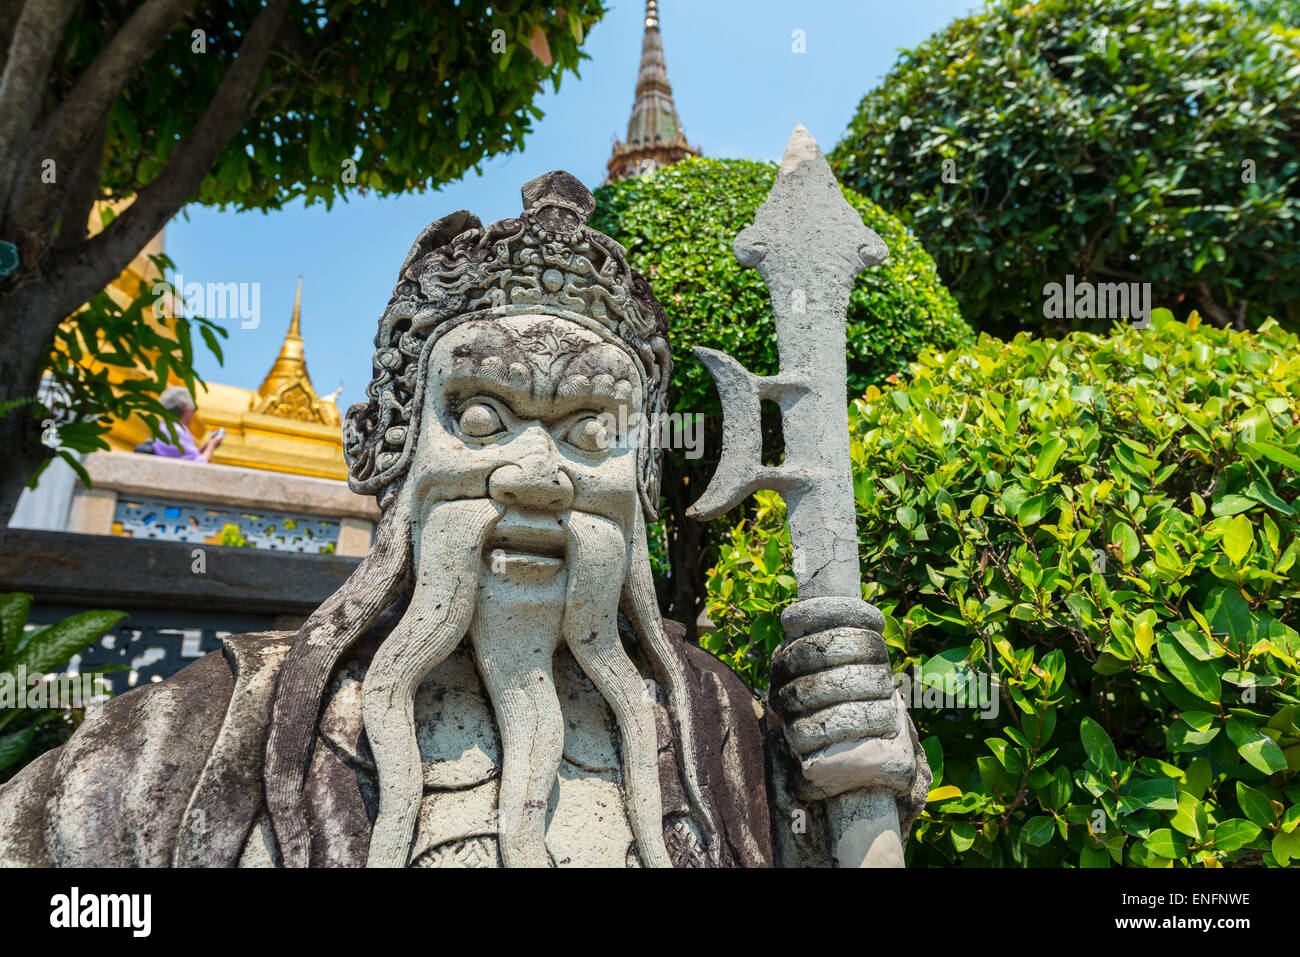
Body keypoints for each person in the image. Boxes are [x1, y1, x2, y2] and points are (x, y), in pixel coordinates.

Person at [0, 172, 927, 867]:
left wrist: (845, 783)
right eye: (481, 418)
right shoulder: (190, 744)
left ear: (644, 486)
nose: (538, 478)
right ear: (387, 453)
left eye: (592, 432)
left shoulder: (719, 743)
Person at [151, 386, 223, 461]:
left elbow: (188, 456)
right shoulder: (177, 430)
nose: (193, 412)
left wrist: (208, 444)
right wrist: (211, 446)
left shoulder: (166, 426)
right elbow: (197, 463)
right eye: (193, 408)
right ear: (184, 408)